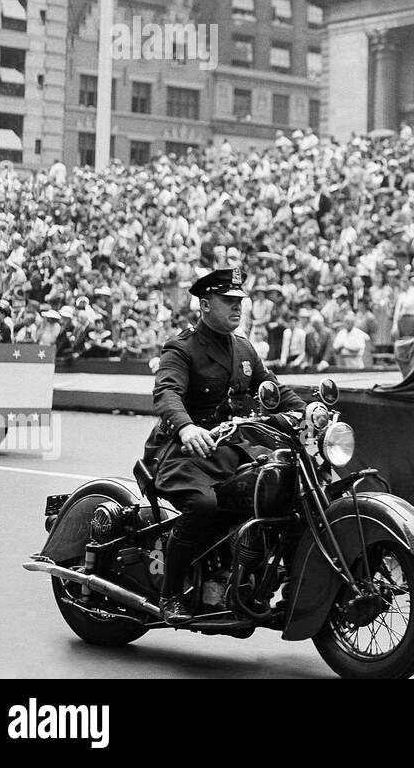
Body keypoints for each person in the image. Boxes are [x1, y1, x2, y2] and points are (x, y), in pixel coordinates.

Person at [143, 268, 303, 625]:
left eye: (239, 302)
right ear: (204, 305)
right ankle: (170, 594)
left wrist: (308, 412)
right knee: (203, 505)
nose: (237, 308)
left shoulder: (244, 348)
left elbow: (273, 392)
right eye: (228, 301)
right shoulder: (182, 347)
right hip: (183, 454)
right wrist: (186, 428)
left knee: (286, 493)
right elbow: (167, 392)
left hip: (230, 451)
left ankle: (286, 586)